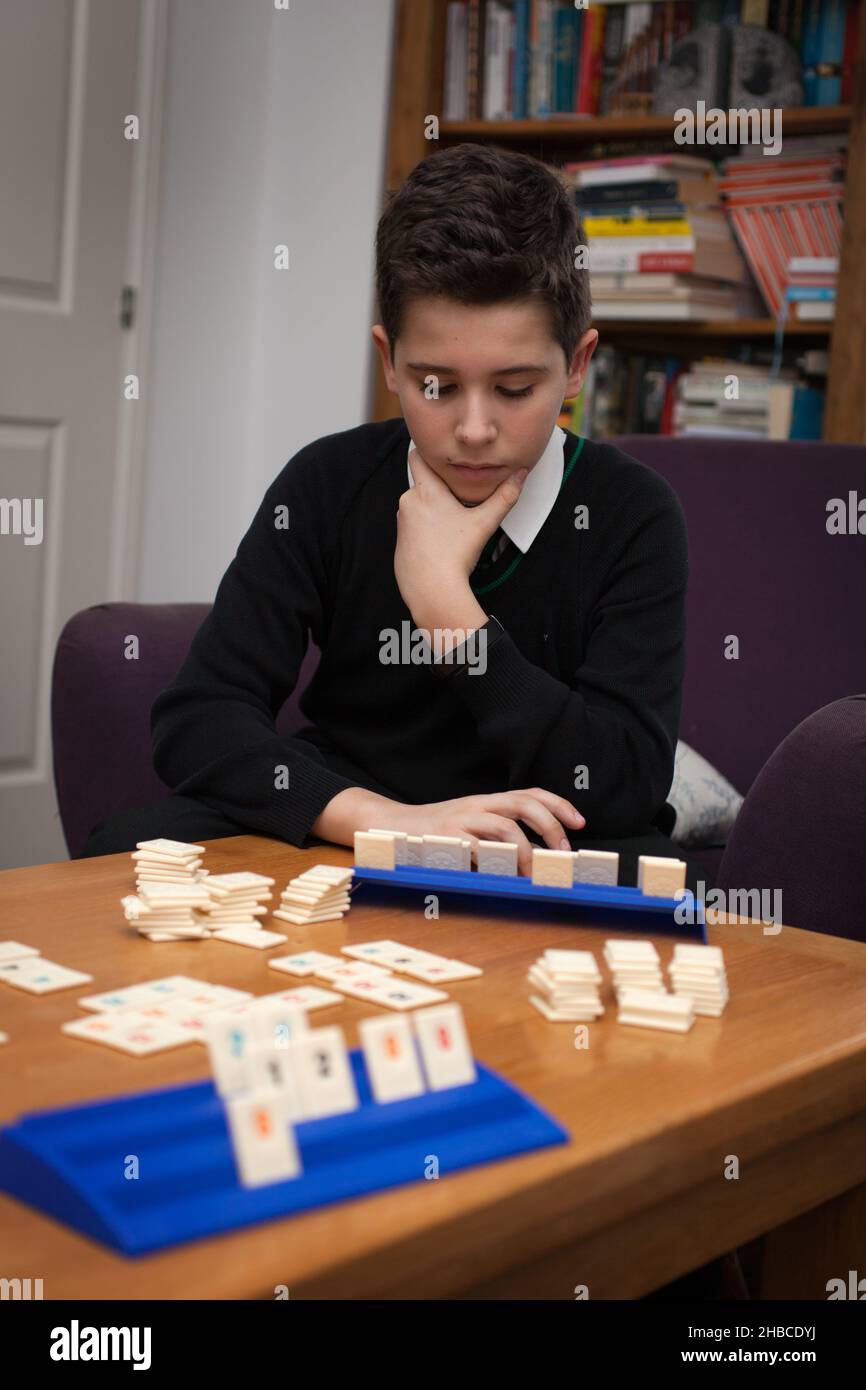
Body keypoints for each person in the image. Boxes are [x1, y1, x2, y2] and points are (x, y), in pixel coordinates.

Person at [82, 142, 705, 889]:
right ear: (389, 360)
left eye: (514, 389)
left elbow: (623, 782)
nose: (474, 430)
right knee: (124, 844)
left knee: (658, 881)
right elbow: (199, 718)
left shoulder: (632, 513)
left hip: (550, 842)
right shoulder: (329, 482)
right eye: (437, 385)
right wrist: (387, 822)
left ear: (577, 364)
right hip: (359, 821)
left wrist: (451, 615)